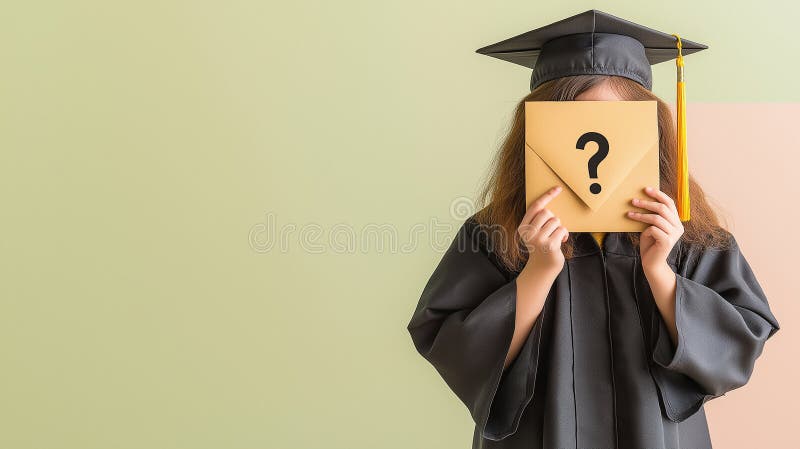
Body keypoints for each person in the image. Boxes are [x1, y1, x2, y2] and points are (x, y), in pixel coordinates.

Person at [405, 10, 781, 449]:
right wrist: (538, 270)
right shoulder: (495, 233)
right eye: (570, 125)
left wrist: (660, 273)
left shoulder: (686, 234)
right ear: (534, 134)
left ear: (652, 131)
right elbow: (455, 347)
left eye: (616, 126)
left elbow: (736, 345)